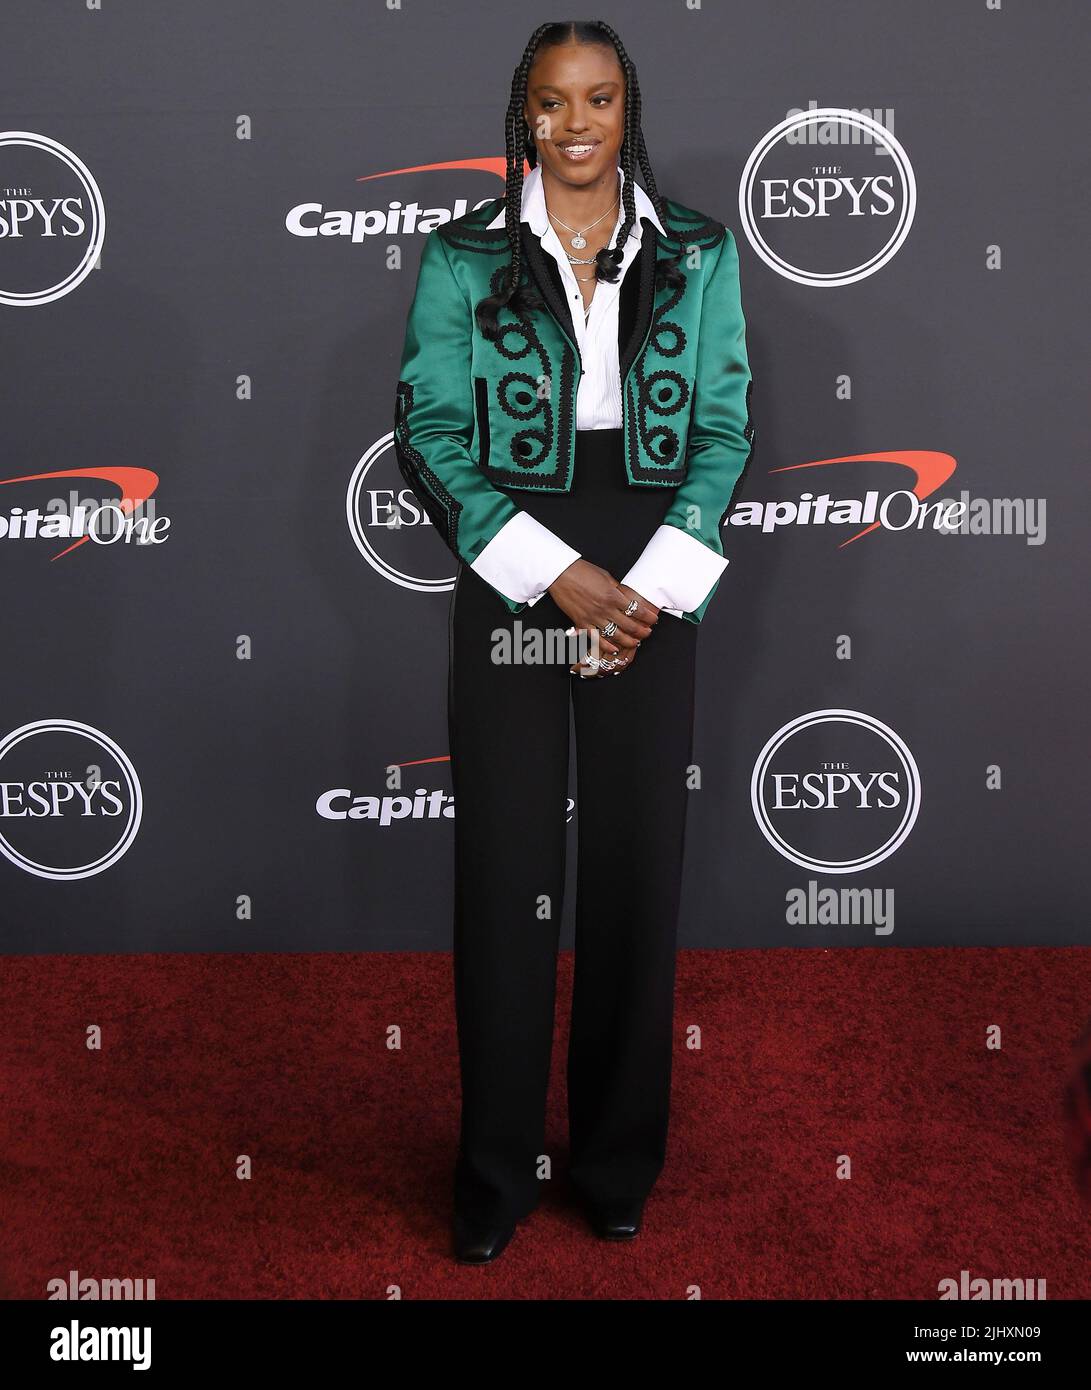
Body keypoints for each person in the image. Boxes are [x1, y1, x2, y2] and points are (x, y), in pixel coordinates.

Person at [393, 18, 755, 1264]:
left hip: (651, 570)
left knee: (634, 867)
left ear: (626, 107)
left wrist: (642, 589)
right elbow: (426, 434)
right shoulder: (460, 257)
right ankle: (493, 1171)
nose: (578, 122)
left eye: (599, 97)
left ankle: (613, 1161)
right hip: (518, 566)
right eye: (553, 101)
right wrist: (557, 577)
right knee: (502, 870)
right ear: (524, 116)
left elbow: (723, 430)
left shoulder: (699, 252)